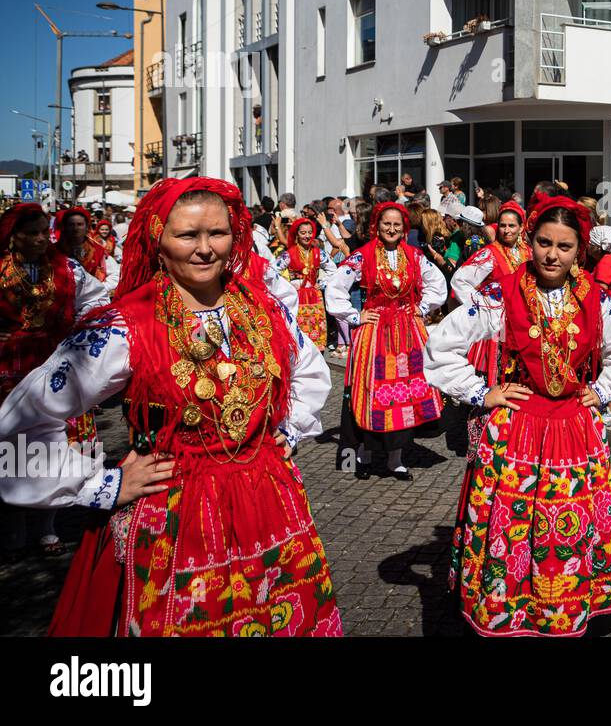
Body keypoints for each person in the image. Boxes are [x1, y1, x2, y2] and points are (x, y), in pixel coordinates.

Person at [0, 178, 341, 636]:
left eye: (217, 233)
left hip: (269, 499)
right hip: (177, 510)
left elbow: (311, 370)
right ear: (157, 241)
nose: (205, 249)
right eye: (187, 235)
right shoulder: (126, 325)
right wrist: (104, 485)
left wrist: (291, 427)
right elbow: (20, 423)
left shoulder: (263, 309)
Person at [424, 195, 611, 636]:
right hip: (516, 427)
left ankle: (565, 605)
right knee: (514, 526)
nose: (552, 255)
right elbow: (442, 344)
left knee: (566, 523)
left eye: (564, 246)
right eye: (544, 243)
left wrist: (601, 391)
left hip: (574, 426)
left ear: (579, 249)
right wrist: (481, 392)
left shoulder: (595, 298)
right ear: (530, 240)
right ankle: (512, 608)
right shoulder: (503, 293)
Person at [0, 203, 109, 560]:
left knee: (58, 443)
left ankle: (48, 523)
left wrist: (79, 330)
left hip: (56, 363)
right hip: (8, 367)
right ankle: (14, 519)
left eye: (43, 232)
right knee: (15, 443)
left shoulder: (67, 269)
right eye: (29, 233)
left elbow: (96, 300)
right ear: (12, 235)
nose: (37, 240)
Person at [325, 202, 447, 481]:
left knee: (405, 396)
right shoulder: (363, 256)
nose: (391, 229)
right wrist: (355, 315)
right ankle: (364, 456)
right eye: (386, 224)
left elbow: (437, 283)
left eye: (397, 224)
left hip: (407, 332)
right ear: (376, 227)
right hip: (376, 332)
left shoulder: (414, 256)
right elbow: (335, 286)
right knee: (372, 392)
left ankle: (396, 459)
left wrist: (423, 307)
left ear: (404, 228)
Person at [448, 199, 530, 389]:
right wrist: (482, 305)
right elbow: (460, 280)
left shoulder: (529, 253)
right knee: (496, 377)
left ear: (521, 228)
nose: (506, 230)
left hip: (525, 323)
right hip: (496, 327)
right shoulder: (489, 254)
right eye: (502, 225)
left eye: (512, 226)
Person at [272, 217, 336, 351]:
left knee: (317, 328)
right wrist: (286, 286)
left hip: (315, 296)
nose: (307, 236)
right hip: (295, 297)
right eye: (303, 233)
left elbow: (333, 270)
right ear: (297, 234)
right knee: (298, 329)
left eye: (309, 232)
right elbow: (272, 270)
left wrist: (323, 283)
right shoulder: (289, 254)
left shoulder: (319, 253)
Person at [55, 207, 120, 294]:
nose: (75, 228)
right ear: (65, 227)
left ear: (87, 227)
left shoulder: (98, 250)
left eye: (80, 224)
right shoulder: (55, 250)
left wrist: (99, 288)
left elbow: (115, 274)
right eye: (71, 224)